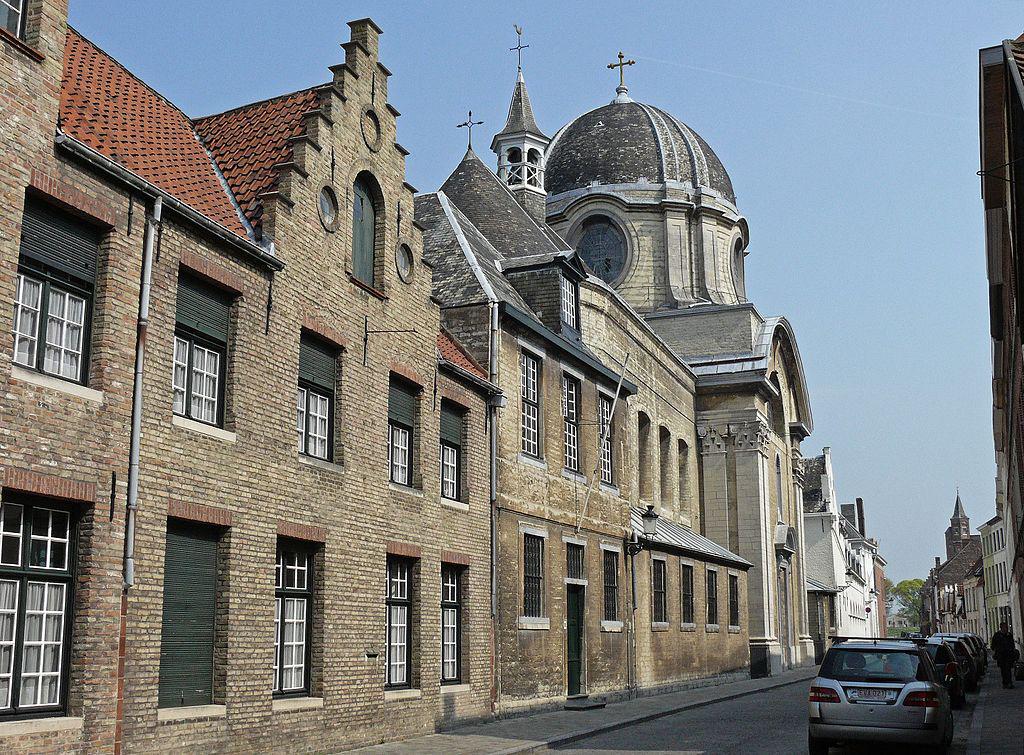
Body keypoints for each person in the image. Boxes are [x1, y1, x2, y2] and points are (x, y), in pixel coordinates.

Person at [991, 621, 1017, 689]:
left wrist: (1012, 651)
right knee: (1003, 670)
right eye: (1005, 627)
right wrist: (996, 650)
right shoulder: (997, 635)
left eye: (1007, 627)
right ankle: (1005, 683)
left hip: (1008, 655)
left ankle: (1009, 683)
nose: (1006, 629)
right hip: (1001, 656)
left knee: (1008, 669)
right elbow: (993, 646)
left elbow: (1012, 644)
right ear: (1001, 628)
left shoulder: (1009, 635)